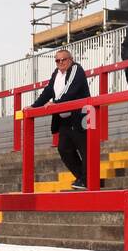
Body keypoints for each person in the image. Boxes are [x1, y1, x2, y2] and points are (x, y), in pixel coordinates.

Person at [30, 49, 92, 190]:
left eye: (63, 59)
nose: (60, 63)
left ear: (70, 59)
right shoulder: (56, 74)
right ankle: (83, 178)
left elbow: (70, 89)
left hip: (84, 115)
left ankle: (88, 179)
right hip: (65, 117)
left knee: (86, 149)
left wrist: (56, 103)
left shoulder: (77, 69)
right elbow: (48, 91)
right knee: (64, 149)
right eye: (57, 60)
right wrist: (34, 106)